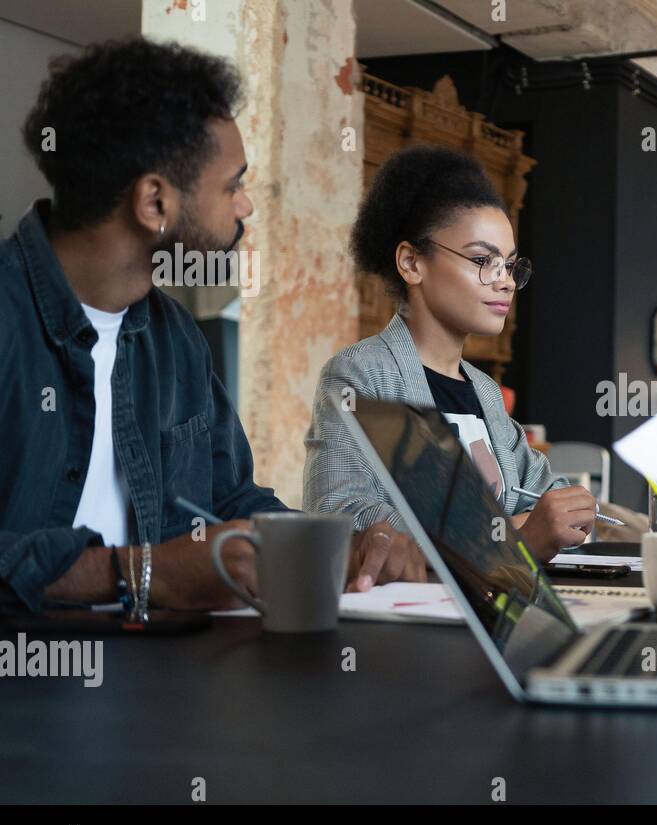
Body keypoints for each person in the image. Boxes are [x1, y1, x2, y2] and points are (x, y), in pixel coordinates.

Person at [0, 38, 425, 615]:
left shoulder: (175, 338)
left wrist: (347, 549)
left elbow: (230, 498)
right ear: (154, 202)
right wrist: (139, 573)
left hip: (162, 678)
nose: (245, 206)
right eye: (232, 185)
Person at [303, 146, 596, 562]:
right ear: (411, 262)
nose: (506, 282)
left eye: (510, 266)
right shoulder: (360, 375)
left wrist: (561, 512)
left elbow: (550, 492)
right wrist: (508, 534)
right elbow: (339, 515)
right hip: (418, 616)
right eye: (482, 260)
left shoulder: (484, 391)